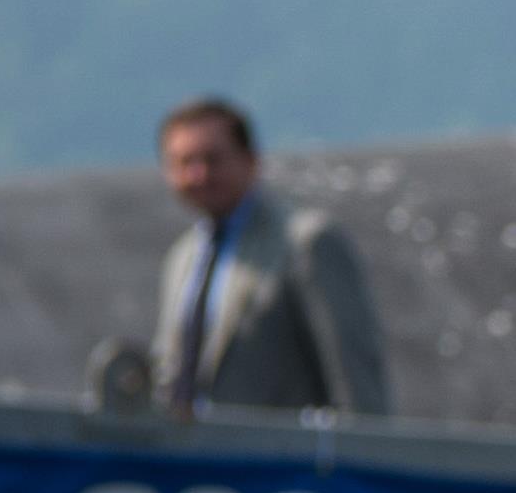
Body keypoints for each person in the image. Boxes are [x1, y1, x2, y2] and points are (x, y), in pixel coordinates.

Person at [151, 97, 389, 420]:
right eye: (184, 162)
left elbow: (354, 379)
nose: (199, 175)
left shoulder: (307, 243)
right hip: (195, 463)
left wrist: (366, 460)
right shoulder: (182, 258)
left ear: (250, 160)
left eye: (213, 159)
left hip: (282, 463)